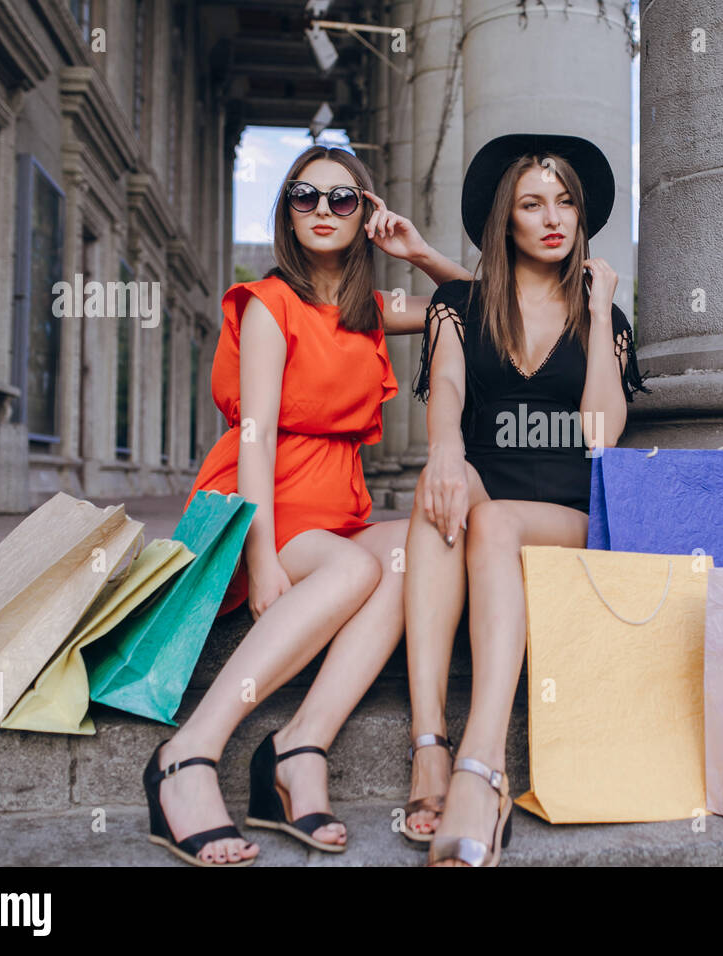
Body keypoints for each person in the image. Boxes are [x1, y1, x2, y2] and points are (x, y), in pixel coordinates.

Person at [142, 145, 472, 866]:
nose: (323, 210)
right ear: (286, 211)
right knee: (357, 572)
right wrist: (260, 559)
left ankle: (299, 745)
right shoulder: (270, 305)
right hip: (260, 502)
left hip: (332, 510)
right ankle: (189, 752)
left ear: (366, 214)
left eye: (343, 199)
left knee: (404, 551)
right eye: (305, 196)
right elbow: (254, 439)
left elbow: (474, 305)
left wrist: (418, 251)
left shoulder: (369, 313)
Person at [401, 133, 647, 866]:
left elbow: (602, 433)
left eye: (565, 202)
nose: (552, 217)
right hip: (482, 495)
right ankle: (427, 748)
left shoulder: (607, 320)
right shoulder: (459, 304)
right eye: (532, 203)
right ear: (504, 221)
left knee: (493, 518)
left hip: (568, 511)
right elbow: (445, 388)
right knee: (442, 491)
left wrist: (601, 312)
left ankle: (479, 764)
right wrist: (444, 447)